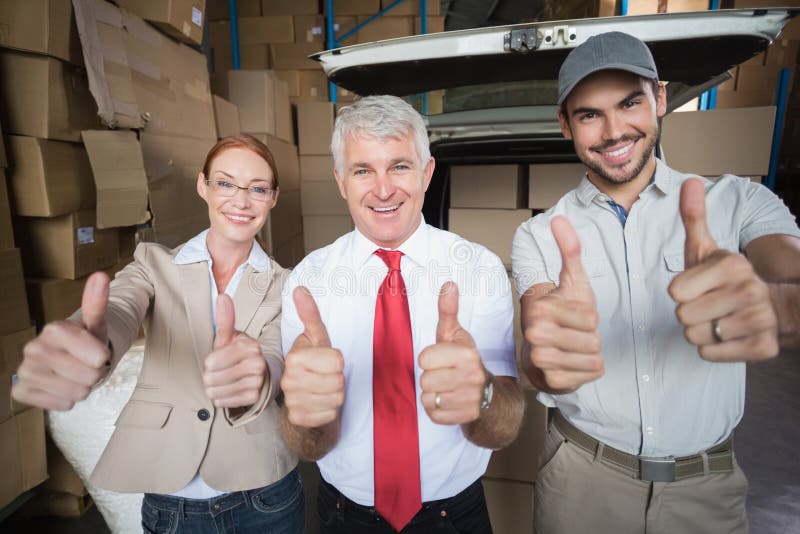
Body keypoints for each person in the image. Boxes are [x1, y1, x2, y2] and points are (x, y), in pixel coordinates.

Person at [511, 31, 800, 534]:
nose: (613, 131)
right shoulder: (539, 233)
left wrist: (778, 305)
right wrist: (548, 360)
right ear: (565, 125)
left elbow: (788, 268)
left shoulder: (739, 202)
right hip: (581, 483)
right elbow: (534, 347)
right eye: (589, 115)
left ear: (660, 98)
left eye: (629, 104)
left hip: (705, 491)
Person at [12, 135, 304, 533]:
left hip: (264, 493)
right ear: (203, 185)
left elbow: (276, 352)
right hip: (173, 500)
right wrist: (93, 335)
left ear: (273, 197)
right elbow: (120, 306)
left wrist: (259, 375)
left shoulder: (285, 284)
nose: (241, 200)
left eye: (257, 188)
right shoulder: (153, 265)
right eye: (225, 183)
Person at [279, 95, 525, 534]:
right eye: (362, 171)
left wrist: (481, 392)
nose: (383, 189)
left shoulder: (479, 269)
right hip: (343, 517)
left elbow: (501, 430)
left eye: (399, 166)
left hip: (453, 515)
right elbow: (306, 446)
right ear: (340, 181)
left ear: (427, 172)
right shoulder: (308, 282)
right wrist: (304, 416)